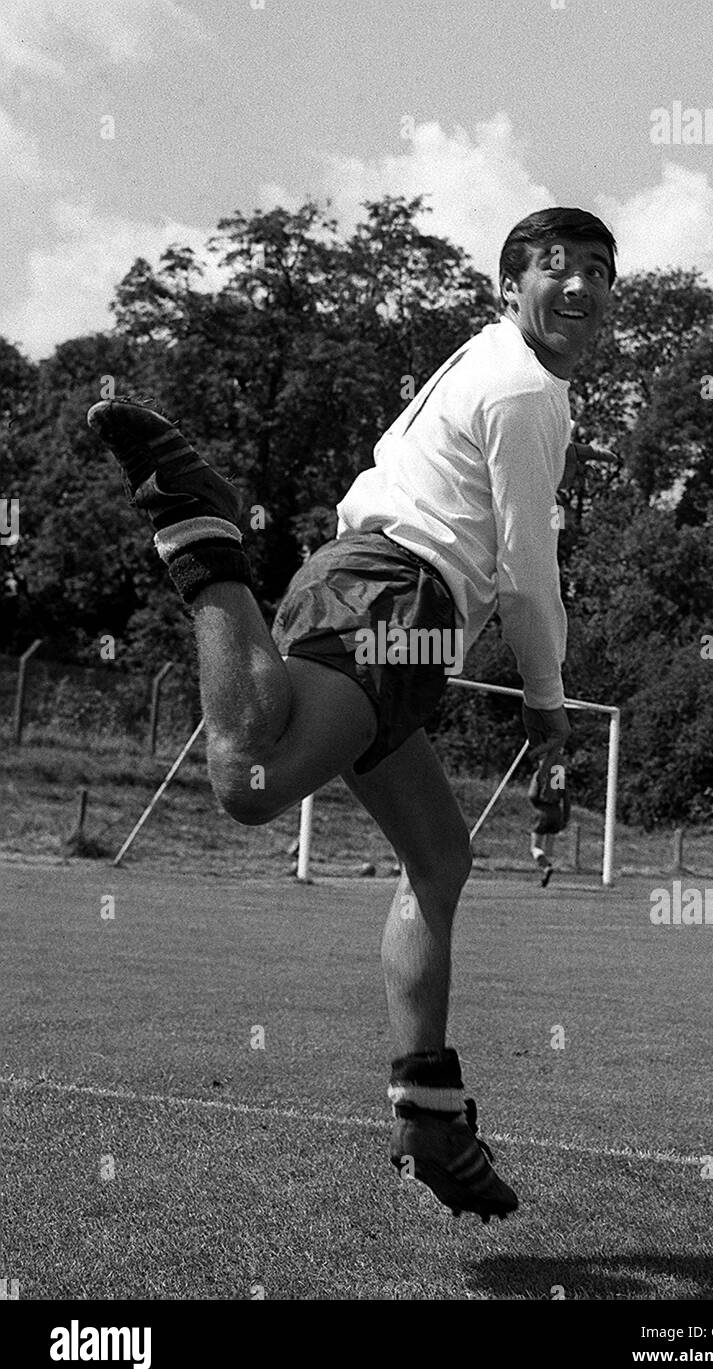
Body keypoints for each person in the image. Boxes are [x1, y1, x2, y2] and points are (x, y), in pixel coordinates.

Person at [87, 207, 617, 1223]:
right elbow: (526, 573)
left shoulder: (501, 364)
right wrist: (547, 706)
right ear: (510, 289)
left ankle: (427, 1108)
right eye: (557, 268)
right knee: (249, 785)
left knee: (440, 859)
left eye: (599, 270)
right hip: (391, 599)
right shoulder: (525, 389)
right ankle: (201, 533)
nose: (582, 285)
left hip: (403, 616)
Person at [528, 744, 571, 887]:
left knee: (535, 847)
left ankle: (546, 867)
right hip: (556, 813)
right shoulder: (559, 774)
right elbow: (566, 798)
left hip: (542, 812)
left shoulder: (540, 773)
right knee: (549, 848)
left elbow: (532, 795)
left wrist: (536, 805)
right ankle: (545, 871)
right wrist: (565, 817)